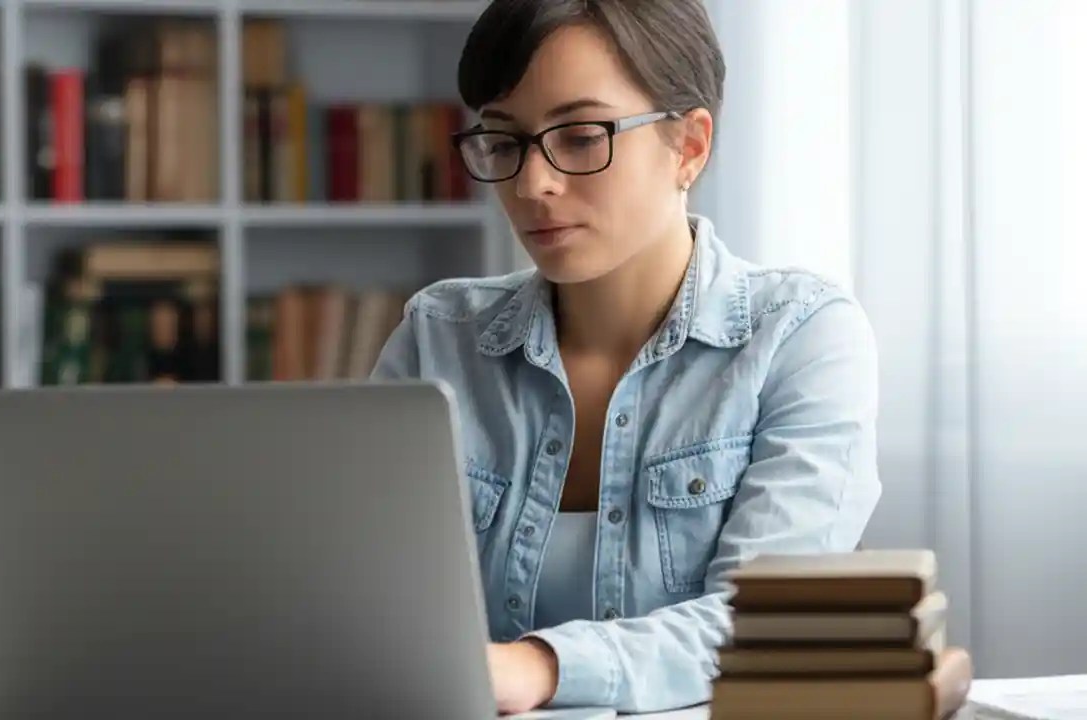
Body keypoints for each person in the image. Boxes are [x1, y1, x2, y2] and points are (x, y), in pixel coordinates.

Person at [373, 0, 883, 714]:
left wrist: (537, 668)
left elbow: (762, 626)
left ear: (690, 145)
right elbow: (369, 606)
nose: (532, 185)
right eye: (504, 141)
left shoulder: (800, 337)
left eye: (580, 137)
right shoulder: (439, 335)